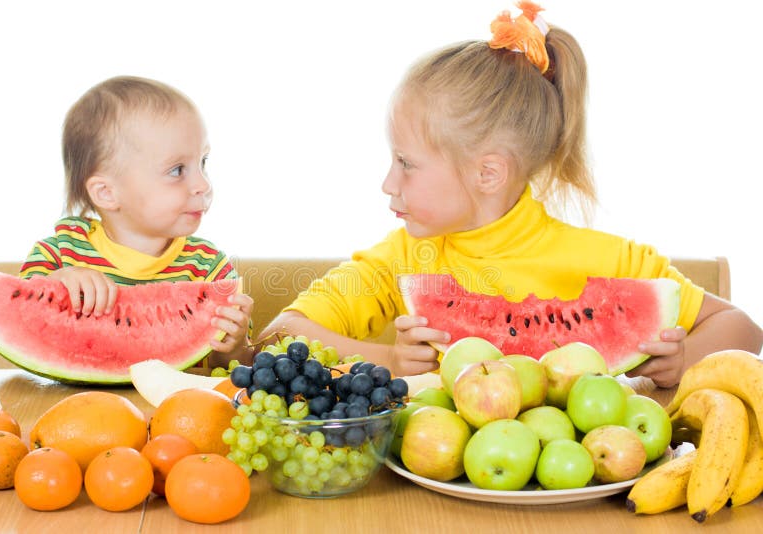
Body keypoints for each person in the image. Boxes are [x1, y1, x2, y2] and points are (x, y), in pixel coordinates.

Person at [259, 2, 763, 386]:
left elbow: (743, 328)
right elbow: (280, 332)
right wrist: (389, 358)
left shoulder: (607, 259)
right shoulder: (400, 260)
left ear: (488, 173)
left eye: (407, 163)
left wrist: (685, 359)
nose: (388, 183)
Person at [20, 76, 253, 368]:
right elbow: (22, 318)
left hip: (176, 411)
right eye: (177, 170)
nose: (202, 184)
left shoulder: (209, 268)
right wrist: (55, 286)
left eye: (203, 162)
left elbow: (229, 368)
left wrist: (234, 346)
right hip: (79, 409)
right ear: (107, 193)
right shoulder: (60, 254)